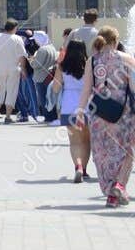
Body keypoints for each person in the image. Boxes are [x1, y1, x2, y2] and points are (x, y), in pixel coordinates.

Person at [72, 27, 135, 207]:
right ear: (116, 41)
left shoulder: (92, 60)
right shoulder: (128, 59)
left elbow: (86, 90)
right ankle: (119, 186)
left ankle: (111, 193)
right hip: (125, 114)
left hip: (98, 113)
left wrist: (80, 112)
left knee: (102, 154)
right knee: (128, 151)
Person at [58, 38, 91, 184]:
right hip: (87, 106)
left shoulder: (61, 66)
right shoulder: (89, 64)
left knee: (74, 141)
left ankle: (77, 166)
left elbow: (55, 88)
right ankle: (84, 169)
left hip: (68, 105)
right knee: (86, 140)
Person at [0, 20, 28, 124]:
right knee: (11, 92)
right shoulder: (17, 39)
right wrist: (23, 69)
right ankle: (8, 116)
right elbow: (22, 56)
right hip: (13, 69)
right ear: (14, 28)